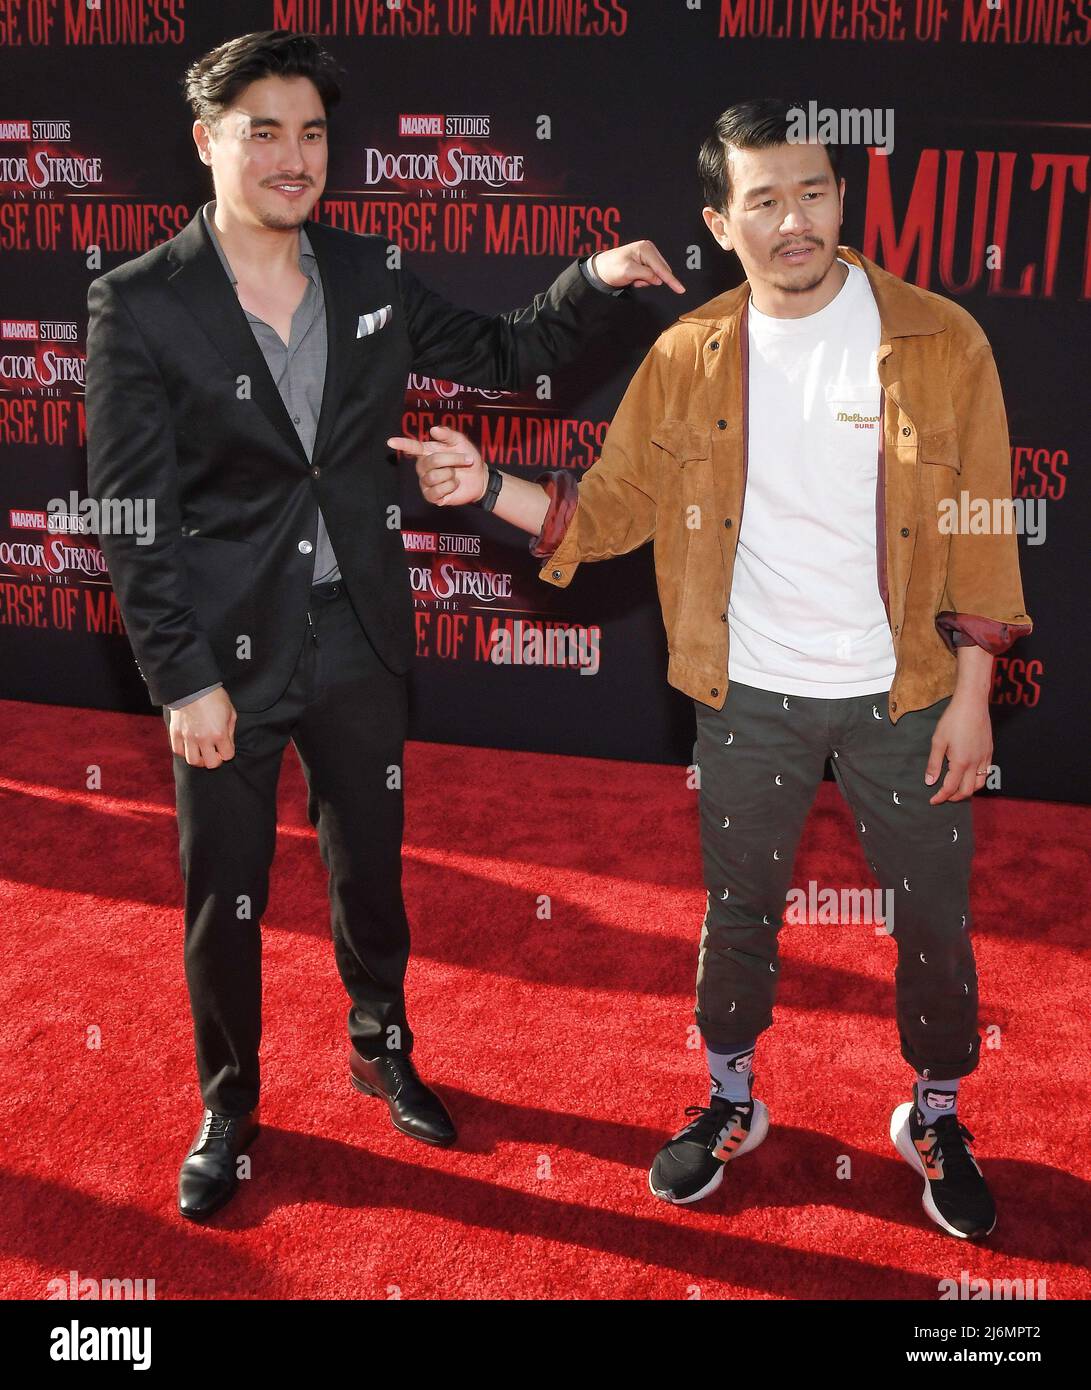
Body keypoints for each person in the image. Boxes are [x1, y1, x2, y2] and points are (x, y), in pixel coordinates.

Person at [393, 97, 1033, 1241]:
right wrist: (486, 487)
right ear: (718, 221)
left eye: (814, 193)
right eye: (763, 201)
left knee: (931, 919)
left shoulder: (941, 336)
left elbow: (982, 524)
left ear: (840, 198)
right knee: (737, 913)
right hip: (745, 694)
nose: (794, 221)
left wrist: (974, 693)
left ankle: (933, 1114)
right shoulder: (688, 353)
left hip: (910, 695)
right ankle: (731, 1101)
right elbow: (616, 507)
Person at [84, 28, 683, 1222]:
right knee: (227, 887)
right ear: (207, 141)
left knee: (371, 870)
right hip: (225, 656)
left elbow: (505, 351)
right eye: (264, 131)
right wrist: (179, 677)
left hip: (360, 633)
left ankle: (380, 1042)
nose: (293, 157)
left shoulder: (370, 271)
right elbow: (129, 514)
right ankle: (231, 1099)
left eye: (311, 132)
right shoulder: (137, 303)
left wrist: (594, 280)